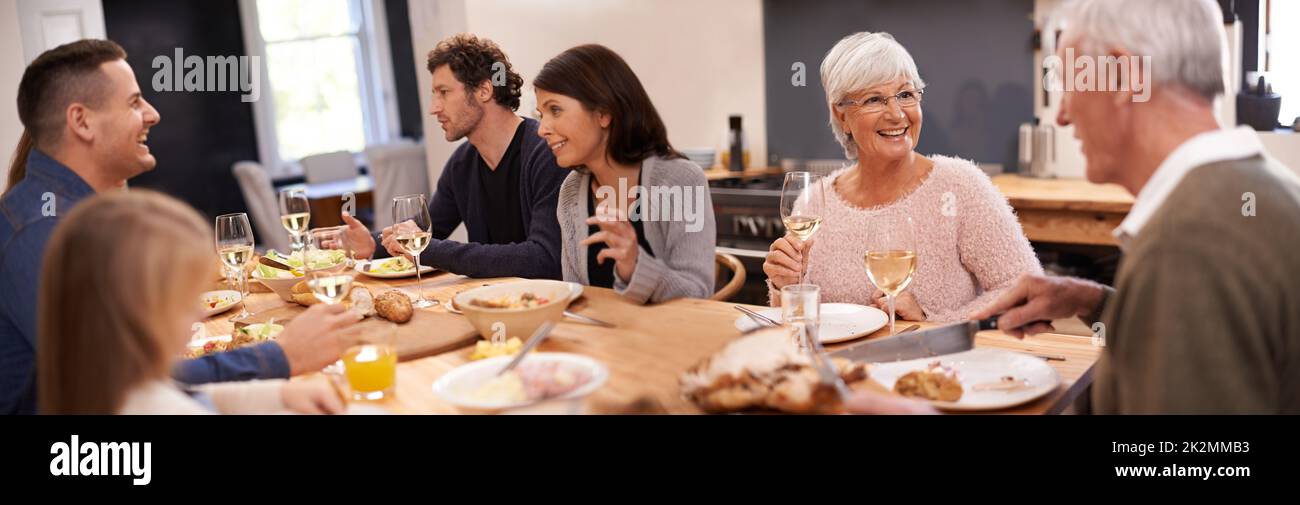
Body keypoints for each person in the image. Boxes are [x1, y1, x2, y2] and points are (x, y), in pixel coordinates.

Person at [968, 0, 1300, 413]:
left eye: (1069, 86)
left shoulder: (1187, 242)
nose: (1065, 115)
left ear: (1126, 76)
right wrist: (1095, 303)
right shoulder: (1267, 191)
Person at [0, 40, 353, 414]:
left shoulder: (74, 215)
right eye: (134, 102)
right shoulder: (43, 232)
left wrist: (274, 392)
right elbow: (124, 384)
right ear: (81, 121)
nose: (152, 114)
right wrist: (280, 356)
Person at [762, 32, 1042, 322]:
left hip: (933, 365)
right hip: (840, 367)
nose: (896, 115)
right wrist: (785, 285)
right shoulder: (814, 202)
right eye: (874, 99)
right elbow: (796, 323)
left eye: (906, 95)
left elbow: (1027, 291)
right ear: (841, 115)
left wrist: (932, 319)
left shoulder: (960, 186)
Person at [38, 191, 344, 414]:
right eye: (187, 300)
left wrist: (282, 394)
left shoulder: (108, 386)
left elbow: (197, 395)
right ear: (140, 313)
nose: (200, 311)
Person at [337, 34, 567, 279]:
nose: (433, 108)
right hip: (489, 304)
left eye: (443, 92)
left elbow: (543, 259)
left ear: (484, 90)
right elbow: (427, 229)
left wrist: (428, 249)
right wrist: (373, 244)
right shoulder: (462, 164)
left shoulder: (546, 152)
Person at [533, 44, 716, 303]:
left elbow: (698, 293)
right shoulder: (572, 191)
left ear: (604, 113)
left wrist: (635, 265)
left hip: (669, 340)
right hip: (601, 340)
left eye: (555, 110)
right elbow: (576, 295)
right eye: (540, 115)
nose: (542, 129)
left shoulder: (682, 181)